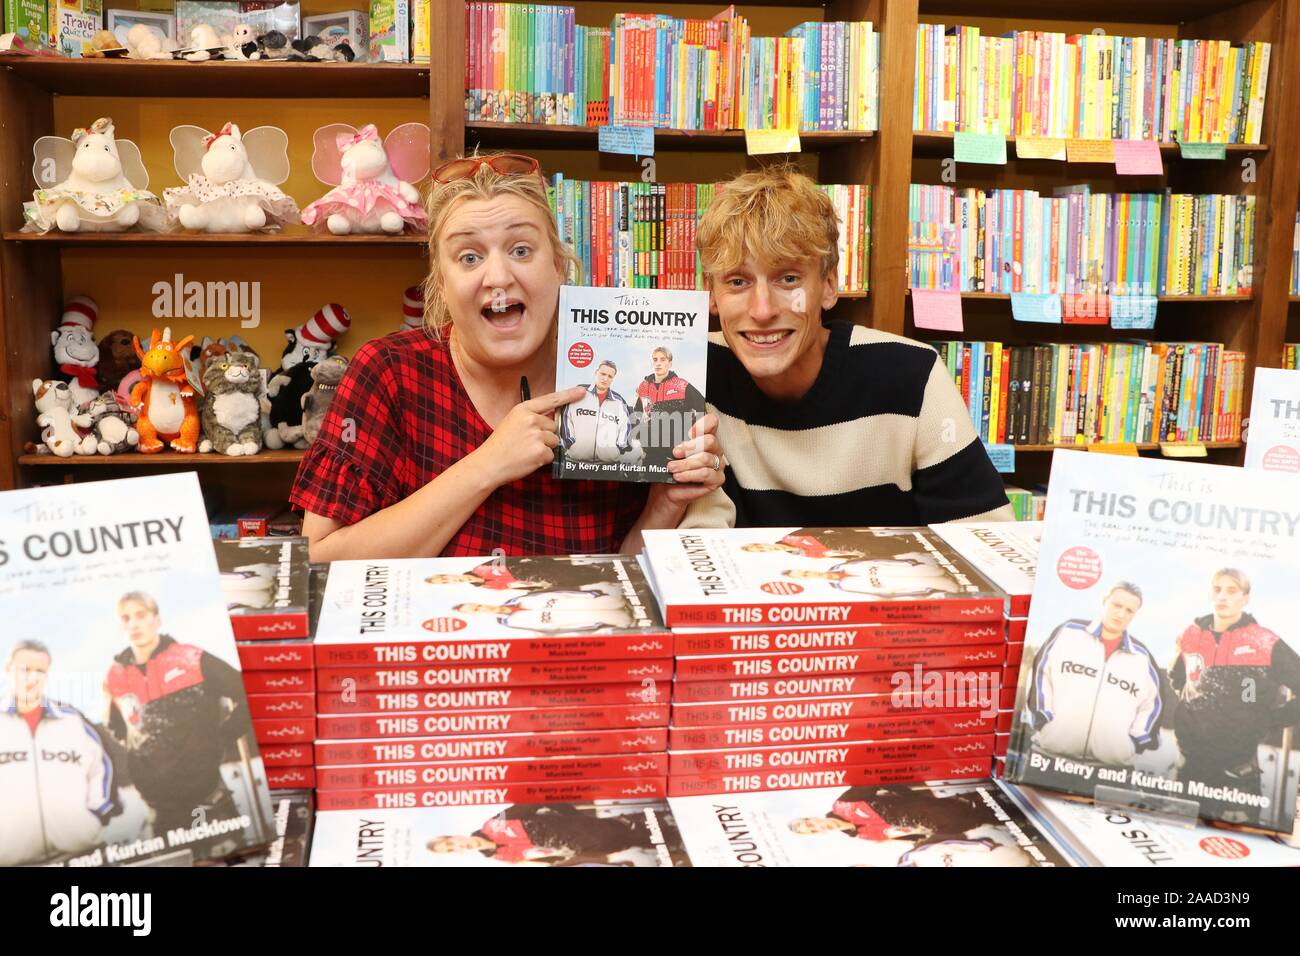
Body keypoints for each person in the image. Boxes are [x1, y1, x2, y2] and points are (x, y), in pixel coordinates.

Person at [291, 153, 730, 561]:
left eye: (521, 250)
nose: (497, 277)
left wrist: (665, 505)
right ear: (441, 283)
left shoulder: (613, 376)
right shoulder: (389, 372)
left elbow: (620, 578)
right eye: (469, 257)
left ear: (559, 267)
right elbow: (321, 558)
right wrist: (488, 464)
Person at [693, 164, 1013, 527]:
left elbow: (986, 543)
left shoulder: (912, 376)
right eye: (737, 282)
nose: (762, 310)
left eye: (788, 278)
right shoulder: (692, 373)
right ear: (712, 294)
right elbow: (691, 552)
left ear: (829, 286)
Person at [104, 591, 252, 840]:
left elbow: (248, 692)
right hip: (159, 805)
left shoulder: (191, 658)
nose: (134, 624)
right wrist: (143, 760)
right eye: (126, 618)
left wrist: (223, 737)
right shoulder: (115, 676)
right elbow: (117, 726)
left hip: (207, 794)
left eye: (141, 615)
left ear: (157, 619)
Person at [1169, 568, 1300, 824]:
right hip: (1190, 763)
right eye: (1217, 589)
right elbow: (1178, 678)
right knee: (1180, 834)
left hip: (1237, 767)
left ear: (1246, 597)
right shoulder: (1190, 635)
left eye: (1231, 590)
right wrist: (1191, 710)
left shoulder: (1264, 641)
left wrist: (1267, 720)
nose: (1222, 596)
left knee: (1232, 843)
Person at [0, 640, 119, 866]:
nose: (32, 678)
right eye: (25, 669)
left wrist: (96, 815)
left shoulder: (72, 720)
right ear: (8, 670)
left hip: (82, 856)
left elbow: (103, 767)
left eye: (40, 671)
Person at [1026, 582, 1164, 766]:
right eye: (1117, 605)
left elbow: (1152, 705)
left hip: (1110, 768)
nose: (1121, 614)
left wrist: (1135, 741)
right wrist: (1044, 721)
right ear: (1104, 601)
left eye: (1129, 610)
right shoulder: (1068, 632)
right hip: (1049, 757)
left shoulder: (1142, 657)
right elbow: (1040, 675)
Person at [428, 802, 655, 866]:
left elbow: (534, 801)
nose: (457, 847)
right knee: (641, 845)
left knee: (642, 828)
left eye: (450, 842)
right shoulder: (501, 859)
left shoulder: (495, 823)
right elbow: (548, 860)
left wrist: (577, 818)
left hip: (585, 828)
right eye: (451, 850)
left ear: (455, 836)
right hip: (582, 848)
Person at [453, 581, 634, 633]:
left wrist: (589, 589)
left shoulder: (517, 597)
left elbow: (558, 590)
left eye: (476, 606)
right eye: (476, 611)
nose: (481, 609)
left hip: (598, 599)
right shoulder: (510, 625)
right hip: (596, 622)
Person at [633, 346, 705, 472]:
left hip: (677, 452)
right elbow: (637, 413)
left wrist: (692, 434)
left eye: (663, 359)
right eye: (655, 359)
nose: (658, 363)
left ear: (670, 363)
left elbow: (702, 408)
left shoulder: (682, 385)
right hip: (651, 451)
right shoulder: (643, 386)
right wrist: (641, 433)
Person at [559, 359, 640, 464]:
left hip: (608, 465)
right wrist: (570, 443)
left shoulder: (619, 401)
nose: (605, 378)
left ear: (613, 379)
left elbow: (626, 426)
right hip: (574, 462)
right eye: (603, 374)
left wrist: (618, 449)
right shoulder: (579, 392)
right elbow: (566, 417)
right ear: (596, 372)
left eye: (610, 376)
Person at [783, 554, 962, 596]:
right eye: (805, 576)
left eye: (805, 571)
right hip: (920, 587)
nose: (810, 573)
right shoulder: (843, 590)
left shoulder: (845, 563)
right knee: (954, 588)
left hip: (919, 567)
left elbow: (881, 559)